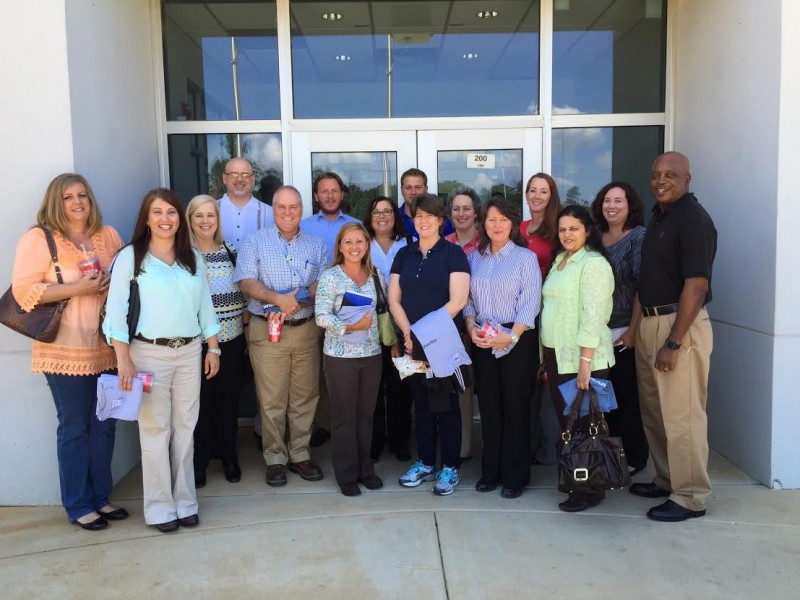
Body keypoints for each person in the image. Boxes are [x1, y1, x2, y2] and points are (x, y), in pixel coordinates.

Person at [11, 173, 126, 531]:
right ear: (55, 203)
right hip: (66, 350)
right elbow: (23, 291)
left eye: (83, 195)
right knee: (75, 427)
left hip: (106, 346)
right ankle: (78, 504)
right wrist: (77, 288)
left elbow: (125, 282)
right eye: (68, 197)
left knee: (105, 425)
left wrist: (109, 283)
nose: (77, 202)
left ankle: (101, 497)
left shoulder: (107, 235)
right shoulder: (39, 239)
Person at [104, 188, 221, 533]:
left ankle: (185, 502)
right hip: (147, 354)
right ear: (147, 217)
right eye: (157, 212)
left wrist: (213, 347)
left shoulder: (192, 257)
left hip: (189, 352)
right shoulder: (131, 257)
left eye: (171, 212)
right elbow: (116, 311)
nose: (165, 219)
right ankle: (158, 508)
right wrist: (123, 359)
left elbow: (205, 306)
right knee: (155, 431)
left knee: (186, 428)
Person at [631, 152, 717, 522]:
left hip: (679, 325)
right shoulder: (660, 217)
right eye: (655, 174)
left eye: (670, 174)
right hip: (652, 323)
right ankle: (667, 480)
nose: (661, 181)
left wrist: (674, 342)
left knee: (683, 415)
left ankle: (691, 496)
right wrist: (637, 330)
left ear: (688, 177)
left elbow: (696, 285)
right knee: (655, 411)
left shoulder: (693, 219)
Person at [234, 186, 329, 488]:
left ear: (302, 209)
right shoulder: (254, 241)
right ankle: (275, 457)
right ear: (273, 209)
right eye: (281, 207)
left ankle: (300, 454)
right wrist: (276, 298)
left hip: (305, 329)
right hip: (267, 331)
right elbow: (246, 281)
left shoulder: (316, 245)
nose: (288, 213)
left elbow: (322, 282)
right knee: (272, 400)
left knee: (305, 397)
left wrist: (294, 300)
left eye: (294, 207)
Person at [389, 193, 470, 496]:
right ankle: (425, 462)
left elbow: (458, 301)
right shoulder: (404, 254)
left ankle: (449, 466)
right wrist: (409, 333)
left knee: (446, 405)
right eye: (417, 215)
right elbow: (394, 299)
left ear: (440, 220)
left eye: (429, 216)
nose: (423, 221)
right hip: (411, 342)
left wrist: (424, 331)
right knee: (421, 404)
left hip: (442, 341)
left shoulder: (453, 254)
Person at [463, 198, 541, 498]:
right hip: (483, 338)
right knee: (490, 409)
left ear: (513, 224)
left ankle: (515, 477)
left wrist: (511, 336)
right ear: (483, 223)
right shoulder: (475, 259)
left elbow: (530, 302)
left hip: (516, 341)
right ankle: (490, 472)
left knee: (516, 407)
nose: (496, 225)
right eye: (491, 220)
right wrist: (471, 327)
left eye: (503, 220)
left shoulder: (525, 258)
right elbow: (467, 298)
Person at [540, 204, 615, 513]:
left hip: (584, 359)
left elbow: (594, 315)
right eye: (562, 229)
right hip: (558, 356)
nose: (567, 234)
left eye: (574, 228)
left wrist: (585, 361)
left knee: (586, 424)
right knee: (569, 423)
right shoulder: (561, 260)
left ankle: (590, 488)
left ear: (587, 231)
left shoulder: (594, 264)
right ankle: (578, 479)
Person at [315, 223, 386, 496]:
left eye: (360, 241)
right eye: (349, 242)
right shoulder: (331, 277)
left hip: (371, 355)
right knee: (344, 418)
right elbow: (321, 316)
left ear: (367, 245)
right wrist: (351, 328)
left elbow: (383, 311)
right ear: (340, 247)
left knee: (366, 416)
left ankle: (365, 469)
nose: (355, 247)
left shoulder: (375, 275)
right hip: (340, 357)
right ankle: (346, 475)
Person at [186, 195, 247, 487]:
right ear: (190, 220)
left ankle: (229, 457)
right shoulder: (183, 255)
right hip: (195, 343)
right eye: (199, 216)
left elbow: (244, 291)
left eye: (210, 215)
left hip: (232, 339)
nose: (205, 221)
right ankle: (199, 462)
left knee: (228, 401)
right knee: (200, 404)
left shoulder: (231, 251)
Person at [591, 182, 649, 477]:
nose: (611, 206)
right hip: (597, 333)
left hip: (624, 329)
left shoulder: (638, 237)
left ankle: (636, 458)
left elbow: (642, 286)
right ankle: (613, 456)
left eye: (618, 201)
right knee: (605, 401)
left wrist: (633, 330)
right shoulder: (596, 239)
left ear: (630, 206)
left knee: (628, 399)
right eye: (607, 201)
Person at [301, 171, 360, 447]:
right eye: (324, 191)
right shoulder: (304, 227)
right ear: (316, 196)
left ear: (342, 193)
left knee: (346, 368)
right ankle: (322, 423)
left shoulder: (356, 225)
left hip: (351, 310)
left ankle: (348, 424)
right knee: (317, 370)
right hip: (313, 309)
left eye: (334, 190)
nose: (329, 196)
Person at [217, 157, 273, 450]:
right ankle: (221, 443)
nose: (240, 179)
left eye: (246, 175)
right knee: (224, 381)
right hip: (216, 312)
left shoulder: (269, 213)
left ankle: (264, 432)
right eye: (233, 174)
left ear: (253, 180)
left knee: (264, 376)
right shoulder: (208, 211)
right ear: (224, 178)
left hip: (260, 308)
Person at [363, 196, 412, 462]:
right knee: (372, 388)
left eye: (387, 211)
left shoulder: (409, 245)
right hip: (367, 326)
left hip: (401, 325)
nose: (382, 216)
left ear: (395, 216)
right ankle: (374, 442)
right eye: (376, 211)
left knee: (400, 387)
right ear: (369, 217)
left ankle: (400, 440)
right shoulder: (362, 244)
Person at [519, 173, 563, 466]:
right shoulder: (519, 228)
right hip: (521, 310)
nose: (536, 196)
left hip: (549, 309)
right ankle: (529, 443)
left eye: (543, 191)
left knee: (548, 377)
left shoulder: (557, 229)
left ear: (551, 196)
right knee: (527, 379)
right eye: (532, 190)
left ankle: (548, 448)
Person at [444, 185, 481, 460]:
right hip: (452, 328)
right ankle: (462, 447)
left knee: (488, 389)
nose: (461, 213)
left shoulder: (488, 241)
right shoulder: (443, 244)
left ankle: (493, 446)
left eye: (466, 208)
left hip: (486, 328)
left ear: (476, 211)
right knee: (460, 389)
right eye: (456, 208)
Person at [398, 168, 454, 238]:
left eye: (418, 187)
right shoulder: (393, 218)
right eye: (408, 187)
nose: (413, 192)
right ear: (402, 191)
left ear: (426, 189)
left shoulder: (441, 219)